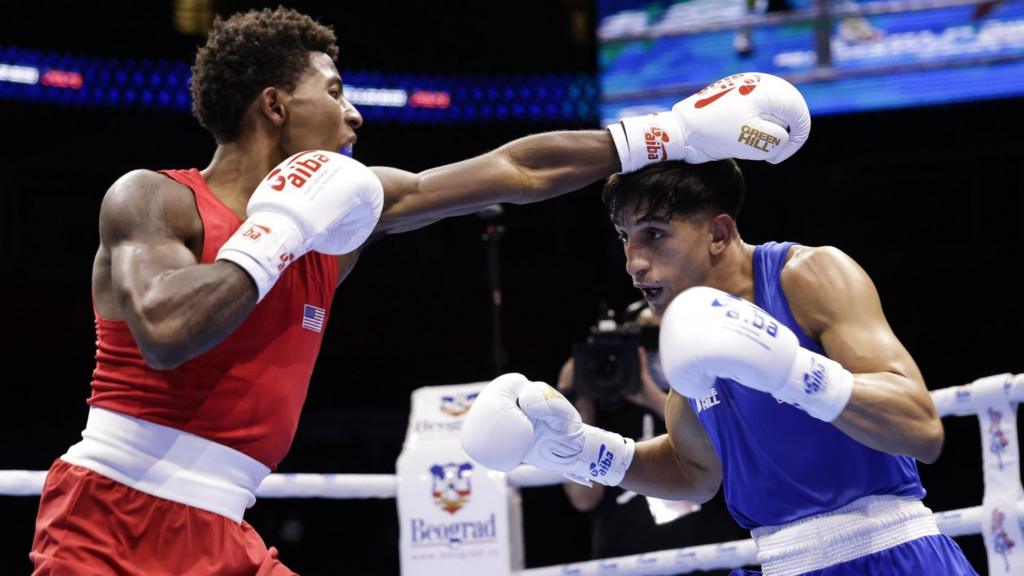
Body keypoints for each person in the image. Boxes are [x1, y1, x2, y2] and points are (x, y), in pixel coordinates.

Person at [27, 6, 810, 575]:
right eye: (334, 91)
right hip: (112, 517)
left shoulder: (345, 214)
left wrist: (665, 134)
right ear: (274, 104)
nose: (355, 114)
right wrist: (278, 228)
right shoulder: (152, 200)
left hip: (224, 525)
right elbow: (168, 332)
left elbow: (512, 171)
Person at [463, 159, 979, 574]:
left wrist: (790, 371)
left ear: (718, 232)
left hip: (892, 554)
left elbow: (922, 429)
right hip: (783, 562)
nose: (634, 262)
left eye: (655, 233)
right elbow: (695, 472)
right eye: (625, 237)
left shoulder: (807, 276)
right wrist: (581, 452)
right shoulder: (688, 332)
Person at [559, 306, 743, 572]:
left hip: (706, 560)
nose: (653, 355)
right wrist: (575, 395)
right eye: (642, 344)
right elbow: (582, 498)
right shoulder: (602, 411)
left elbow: (734, 470)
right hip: (624, 565)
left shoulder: (706, 389)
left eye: (657, 339)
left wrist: (653, 396)